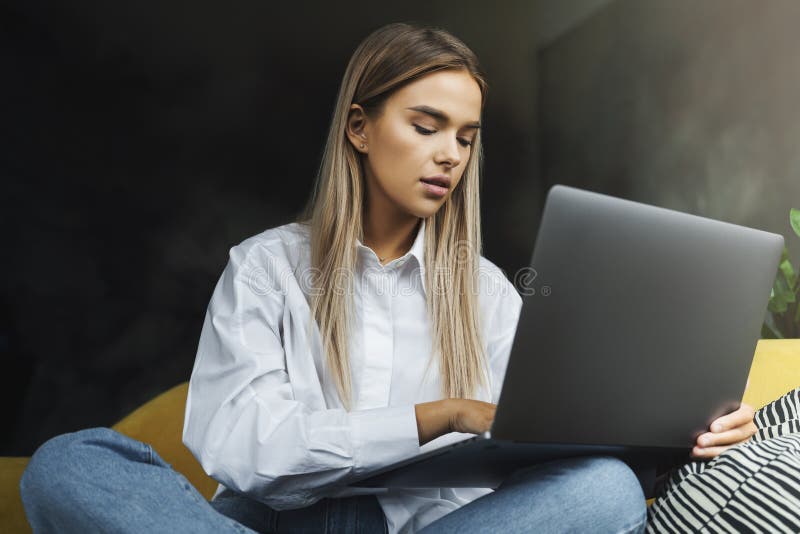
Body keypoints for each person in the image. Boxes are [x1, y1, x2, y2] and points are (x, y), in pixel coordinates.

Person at [19, 22, 757, 534]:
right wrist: (437, 415)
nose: (450, 155)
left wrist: (677, 437)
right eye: (426, 125)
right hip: (265, 524)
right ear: (360, 127)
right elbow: (243, 448)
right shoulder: (266, 267)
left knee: (604, 490)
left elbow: (552, 443)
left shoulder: (489, 292)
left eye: (466, 137)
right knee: (68, 465)